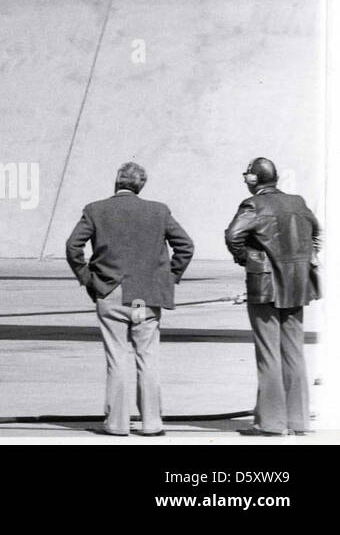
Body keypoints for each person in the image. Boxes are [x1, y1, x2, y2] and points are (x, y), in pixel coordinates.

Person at [65, 162, 194, 436]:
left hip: (111, 291)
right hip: (148, 295)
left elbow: (73, 246)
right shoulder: (159, 210)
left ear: (116, 181)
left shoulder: (95, 209)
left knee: (117, 358)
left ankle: (117, 424)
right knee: (148, 357)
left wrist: (88, 279)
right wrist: (169, 278)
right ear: (141, 185)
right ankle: (152, 423)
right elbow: (186, 246)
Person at [224, 157, 322, 436]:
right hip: (297, 285)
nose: (245, 180)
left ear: (254, 179)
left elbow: (233, 236)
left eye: (247, 176)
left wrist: (248, 259)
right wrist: (305, 258)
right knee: (294, 351)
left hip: (265, 287)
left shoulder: (253, 205)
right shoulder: (298, 202)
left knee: (269, 353)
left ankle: (271, 422)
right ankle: (298, 420)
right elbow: (317, 233)